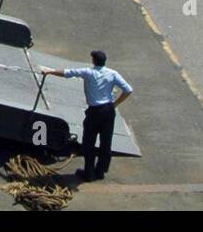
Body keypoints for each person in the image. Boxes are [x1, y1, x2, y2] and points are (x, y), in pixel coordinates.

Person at [39, 51, 133, 181]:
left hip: (94, 111)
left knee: (89, 142)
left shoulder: (88, 72)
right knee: (106, 142)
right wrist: (115, 104)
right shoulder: (113, 73)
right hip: (108, 110)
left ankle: (88, 173)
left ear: (94, 61)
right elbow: (128, 90)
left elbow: (67, 73)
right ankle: (100, 171)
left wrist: (50, 72)